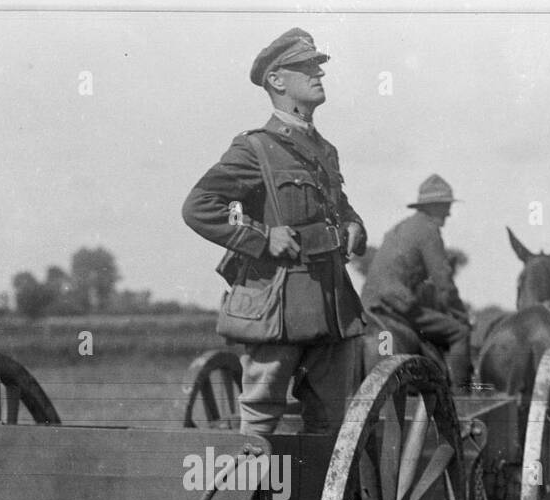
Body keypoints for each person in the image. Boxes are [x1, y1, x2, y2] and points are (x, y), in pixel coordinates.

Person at [182, 28, 368, 437]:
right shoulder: (255, 148)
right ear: (277, 81)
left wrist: (354, 224)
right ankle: (253, 498)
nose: (319, 73)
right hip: (278, 308)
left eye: (319, 66)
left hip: (333, 308)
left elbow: (338, 206)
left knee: (330, 429)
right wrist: (262, 238)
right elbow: (199, 206)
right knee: (260, 420)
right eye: (306, 67)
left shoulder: (325, 149)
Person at [361, 175, 474, 387]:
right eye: (446, 206)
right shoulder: (428, 231)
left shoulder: (401, 228)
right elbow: (444, 283)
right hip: (396, 304)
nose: (449, 213)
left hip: (369, 304)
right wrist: (461, 315)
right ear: (434, 207)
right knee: (459, 333)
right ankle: (461, 399)